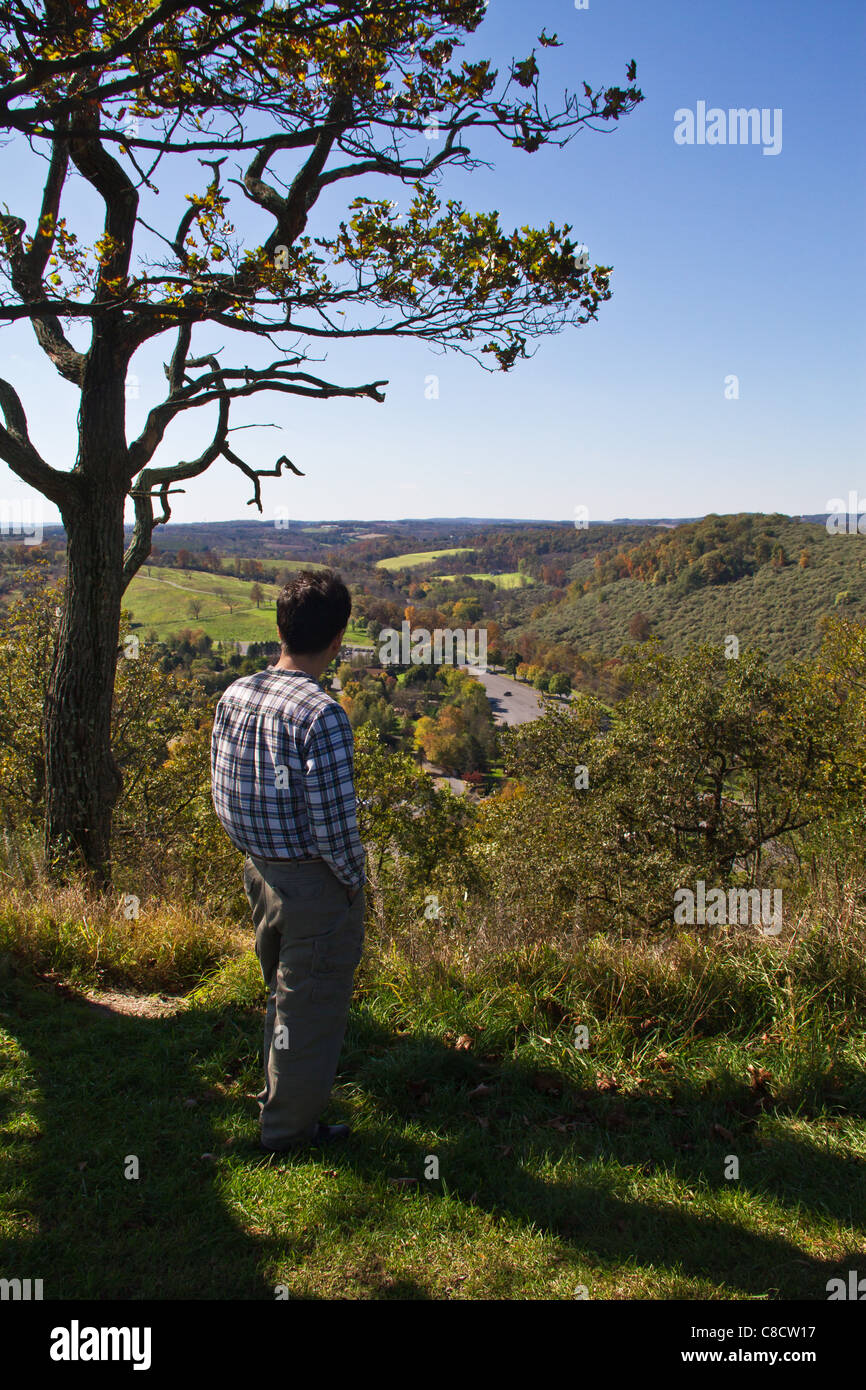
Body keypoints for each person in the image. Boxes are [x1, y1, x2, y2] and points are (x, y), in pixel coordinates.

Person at [210, 569, 366, 1153]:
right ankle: (287, 1134)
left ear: (281, 627)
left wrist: (255, 854)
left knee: (283, 995)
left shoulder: (238, 692)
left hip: (260, 872)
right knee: (311, 1009)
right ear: (337, 640)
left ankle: (278, 1105)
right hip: (312, 885)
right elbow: (334, 826)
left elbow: (222, 788)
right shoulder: (322, 715)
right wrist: (352, 885)